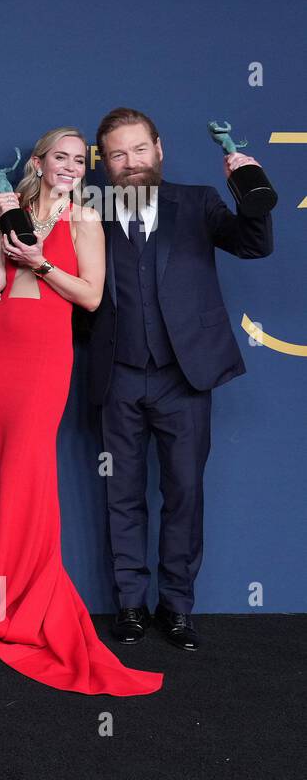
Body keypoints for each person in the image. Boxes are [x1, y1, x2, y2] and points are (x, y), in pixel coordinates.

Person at [0, 127, 162, 695]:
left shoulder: (85, 219)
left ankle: (27, 606)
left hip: (46, 353)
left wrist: (40, 262)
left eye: (81, 160)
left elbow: (93, 295)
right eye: (62, 158)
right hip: (0, 349)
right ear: (39, 162)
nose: (72, 167)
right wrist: (5, 230)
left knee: (28, 475)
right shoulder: (15, 207)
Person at [91, 108, 273, 651]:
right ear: (104, 163)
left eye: (139, 150)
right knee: (120, 494)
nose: (130, 164)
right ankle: (129, 604)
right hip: (117, 376)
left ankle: (176, 607)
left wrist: (251, 188)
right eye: (118, 155)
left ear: (159, 149)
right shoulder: (87, 212)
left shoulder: (196, 202)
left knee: (185, 492)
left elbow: (253, 244)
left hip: (184, 376)